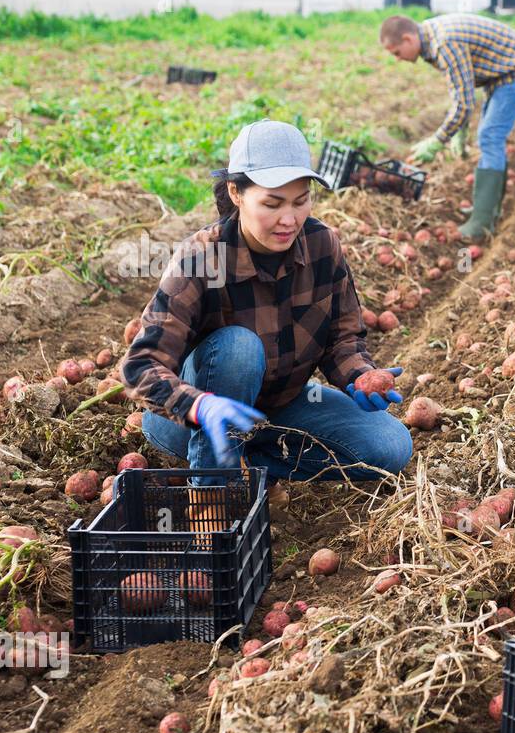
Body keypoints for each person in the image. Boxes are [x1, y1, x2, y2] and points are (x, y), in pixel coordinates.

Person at [122, 119, 413, 493]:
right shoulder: (201, 258)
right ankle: (213, 489)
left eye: (300, 201)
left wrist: (358, 374)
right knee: (238, 347)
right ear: (236, 192)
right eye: (272, 204)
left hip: (280, 408)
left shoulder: (322, 245)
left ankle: (250, 461)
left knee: (390, 446)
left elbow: (343, 337)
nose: (289, 219)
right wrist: (199, 406)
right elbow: (140, 366)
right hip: (193, 419)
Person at [379, 13, 515, 241]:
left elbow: (465, 103)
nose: (398, 58)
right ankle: (488, 210)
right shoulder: (431, 41)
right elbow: (461, 89)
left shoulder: (444, 44)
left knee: (490, 137)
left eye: (397, 53)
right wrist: (460, 131)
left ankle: (482, 222)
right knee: (488, 136)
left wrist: (438, 140)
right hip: (500, 72)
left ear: (408, 39)